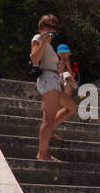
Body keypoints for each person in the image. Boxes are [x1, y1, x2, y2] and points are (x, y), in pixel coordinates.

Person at [29, 14, 77, 161]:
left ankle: (48, 132)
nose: (51, 29)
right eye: (47, 26)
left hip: (53, 81)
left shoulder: (50, 45)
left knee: (72, 108)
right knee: (48, 119)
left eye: (53, 27)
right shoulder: (38, 38)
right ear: (41, 27)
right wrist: (43, 42)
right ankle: (42, 154)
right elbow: (34, 58)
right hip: (48, 81)